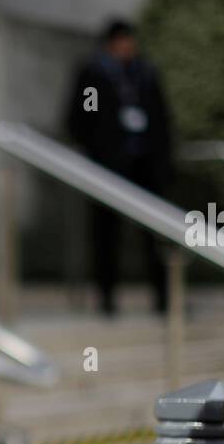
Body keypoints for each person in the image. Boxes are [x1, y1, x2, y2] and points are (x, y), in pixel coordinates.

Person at [65, 18, 175, 316]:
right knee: (105, 234)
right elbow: (78, 119)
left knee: (154, 231)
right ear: (112, 43)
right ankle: (107, 298)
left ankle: (163, 297)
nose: (128, 47)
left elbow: (162, 119)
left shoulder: (146, 73)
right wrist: (99, 150)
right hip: (109, 166)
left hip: (144, 163)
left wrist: (163, 159)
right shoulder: (93, 73)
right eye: (123, 41)